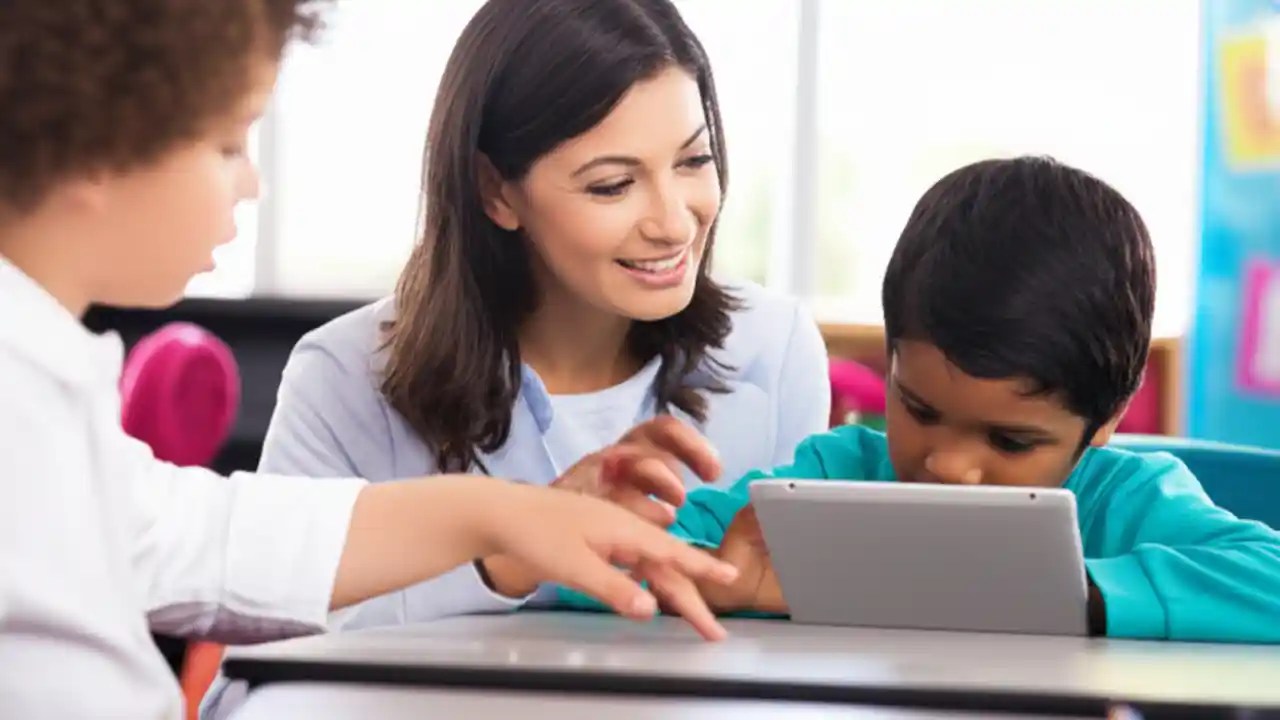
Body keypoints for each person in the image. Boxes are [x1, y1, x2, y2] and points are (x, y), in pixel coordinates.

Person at [0, 2, 742, 717]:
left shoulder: (40, 378)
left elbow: (212, 537)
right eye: (228, 143)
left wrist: (511, 517)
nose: (252, 182)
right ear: (94, 151)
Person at [565, 156, 1280, 643]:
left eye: (1010, 441)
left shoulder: (1128, 500)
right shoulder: (830, 475)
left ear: (1107, 421)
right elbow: (573, 566)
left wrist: (1067, 592)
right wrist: (709, 579)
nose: (950, 465)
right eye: (921, 410)